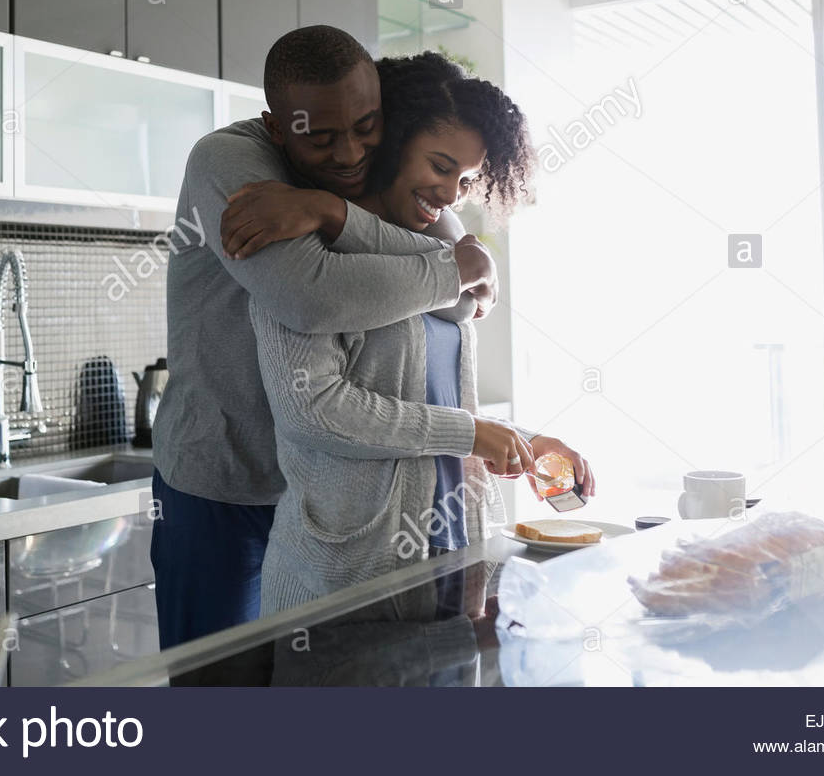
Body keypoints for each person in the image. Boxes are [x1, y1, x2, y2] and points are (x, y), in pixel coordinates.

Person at [150, 26, 523, 649]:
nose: (349, 154)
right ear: (278, 129)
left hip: (318, 490)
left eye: (366, 127)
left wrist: (347, 216)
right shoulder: (229, 163)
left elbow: (461, 297)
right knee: (218, 693)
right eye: (320, 138)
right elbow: (311, 296)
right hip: (224, 475)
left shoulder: (382, 174)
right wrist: (456, 267)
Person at [241, 52, 597, 614]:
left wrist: (522, 441)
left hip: (455, 556)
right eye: (440, 166)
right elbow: (310, 409)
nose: (453, 194)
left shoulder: (439, 253)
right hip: (348, 573)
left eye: (467, 178)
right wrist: (471, 434)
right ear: (394, 139)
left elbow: (439, 403)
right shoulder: (309, 254)